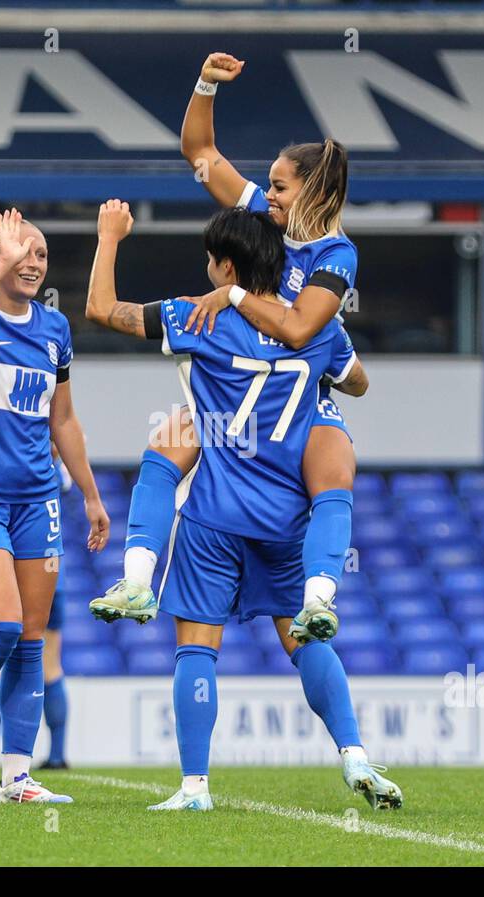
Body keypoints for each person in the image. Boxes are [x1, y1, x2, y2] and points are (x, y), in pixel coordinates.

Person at [85, 199, 401, 812]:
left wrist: (109, 237)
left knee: (197, 647)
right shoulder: (318, 330)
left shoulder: (196, 316)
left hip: (214, 516)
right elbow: (360, 382)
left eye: (210, 259)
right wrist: (317, 372)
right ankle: (355, 754)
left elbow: (101, 309)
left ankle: (195, 787)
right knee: (307, 644)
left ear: (226, 267)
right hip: (284, 517)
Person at [91, 52, 359, 644]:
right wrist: (206, 83)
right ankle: (139, 578)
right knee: (173, 441)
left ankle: (321, 595)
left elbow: (297, 330)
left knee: (330, 474)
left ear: (312, 192)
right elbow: (201, 155)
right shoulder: (269, 218)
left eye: (280, 186)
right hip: (245, 394)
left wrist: (233, 294)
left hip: (298, 397)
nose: (268, 195)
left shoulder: (335, 256)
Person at [0, 208, 108, 804]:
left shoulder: (55, 328)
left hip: (38, 498)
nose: (33, 261)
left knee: (31, 639)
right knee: (1, 625)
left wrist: (89, 493)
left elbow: (63, 418)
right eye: (20, 251)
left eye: (41, 254)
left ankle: (16, 777)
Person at [0, 445, 73, 771]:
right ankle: (57, 755)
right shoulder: (56, 473)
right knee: (49, 664)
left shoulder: (8, 467)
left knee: (0, 661)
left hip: (3, 573)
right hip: (46, 573)